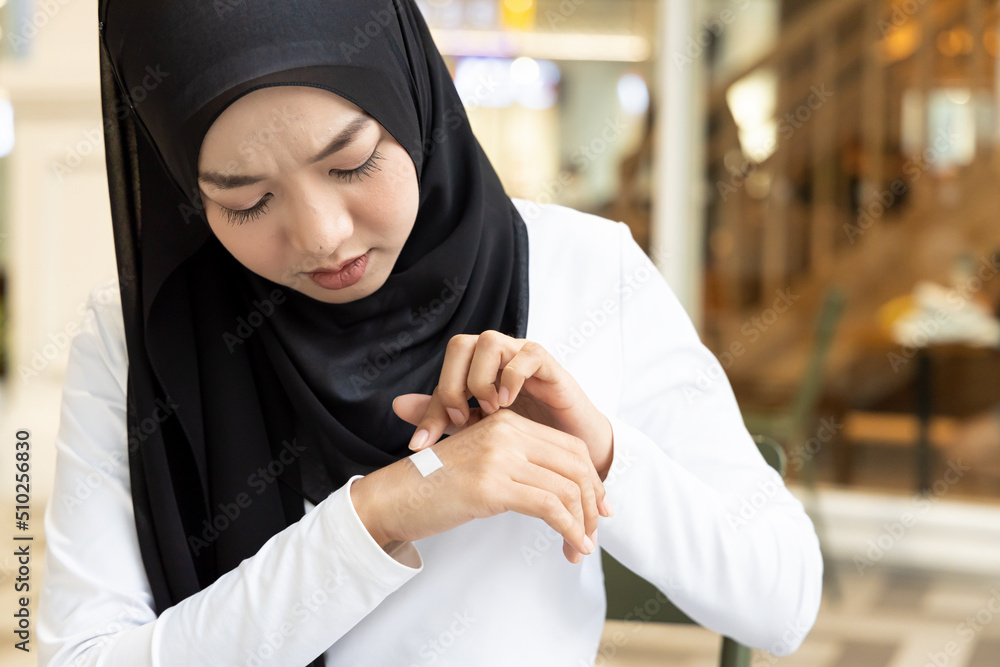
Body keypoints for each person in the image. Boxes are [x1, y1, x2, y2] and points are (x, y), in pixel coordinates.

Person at [37, 1, 824, 665]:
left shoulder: (581, 271)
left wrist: (602, 448)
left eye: (350, 163)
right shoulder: (137, 340)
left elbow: (781, 599)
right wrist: (380, 515)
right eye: (245, 202)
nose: (321, 235)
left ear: (412, 95)